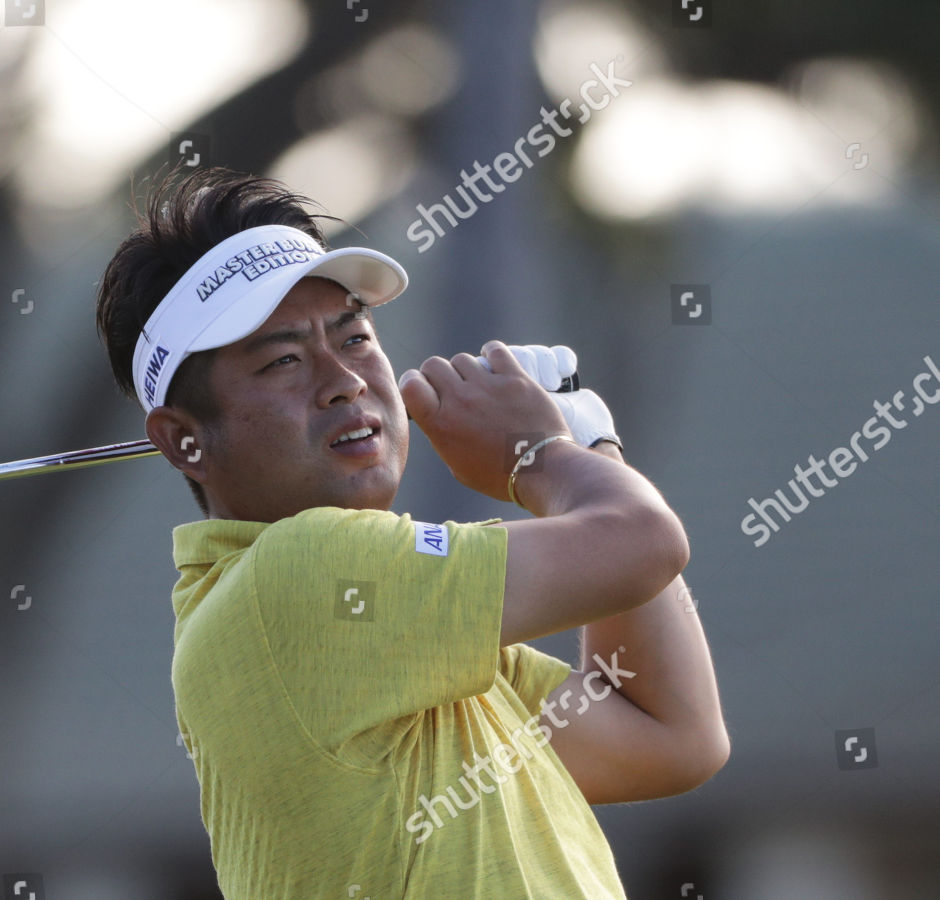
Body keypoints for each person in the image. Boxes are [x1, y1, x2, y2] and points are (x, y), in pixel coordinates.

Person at [93, 166, 729, 899]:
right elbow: (642, 545)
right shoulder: (299, 577)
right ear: (182, 440)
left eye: (355, 337)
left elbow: (670, 737)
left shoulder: (382, 621)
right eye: (284, 361)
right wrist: (547, 456)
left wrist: (579, 456)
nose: (345, 380)